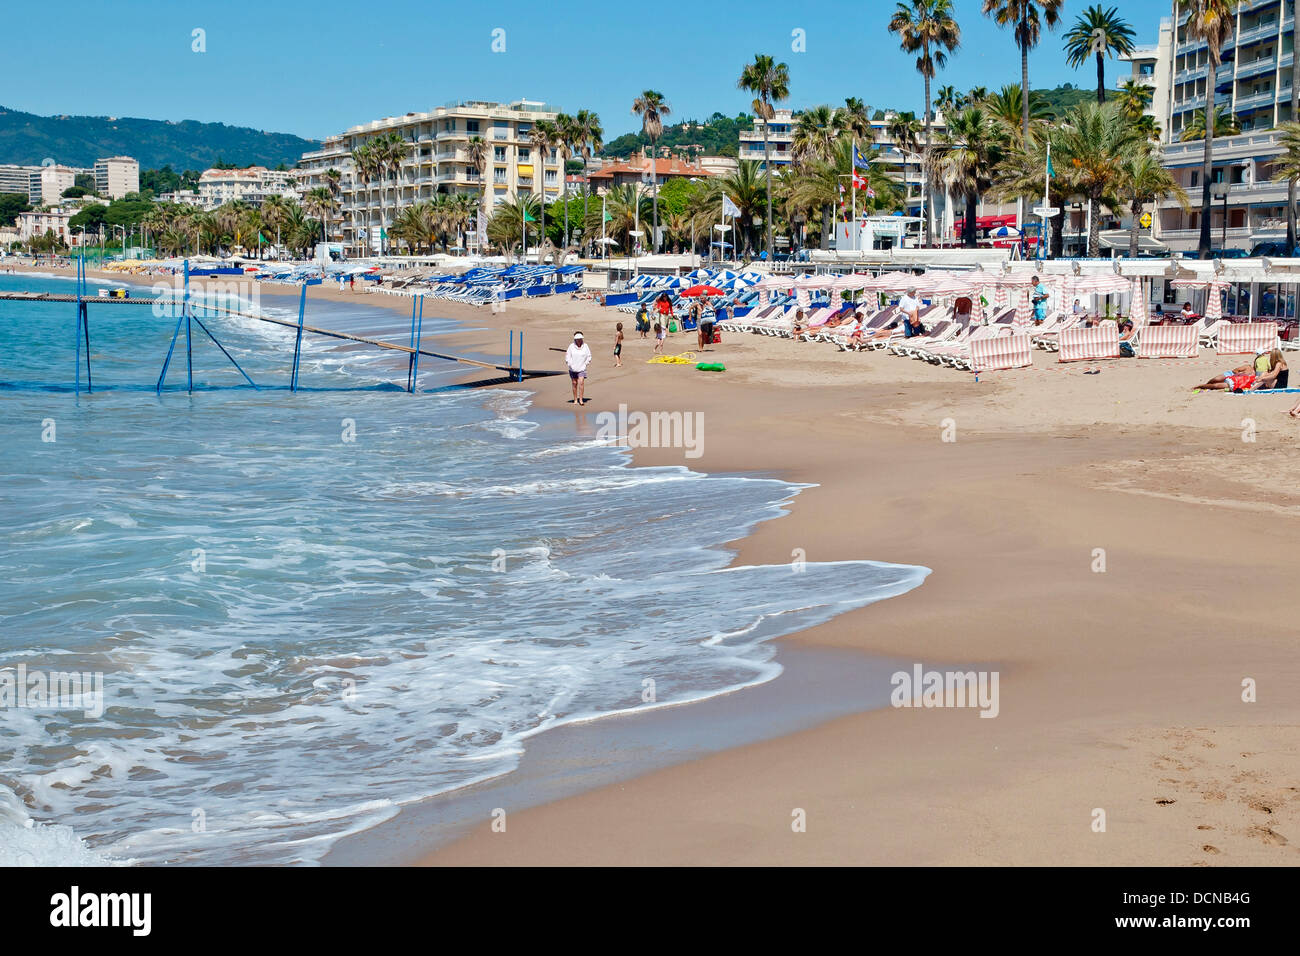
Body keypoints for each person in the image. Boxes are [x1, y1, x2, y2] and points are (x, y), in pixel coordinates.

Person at [1191, 360, 1263, 392]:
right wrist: (1241, 374)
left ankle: (1200, 386)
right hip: (1231, 374)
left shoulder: (1256, 374)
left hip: (1235, 382)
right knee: (1215, 379)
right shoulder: (1248, 367)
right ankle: (1206, 384)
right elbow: (1235, 370)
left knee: (1216, 386)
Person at [565, 331, 592, 405]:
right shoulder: (571, 346)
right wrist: (570, 364)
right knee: (574, 383)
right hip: (573, 368)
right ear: (575, 339)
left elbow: (589, 356)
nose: (579, 340)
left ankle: (581, 400)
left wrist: (586, 363)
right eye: (578, 339)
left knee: (581, 383)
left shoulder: (585, 346)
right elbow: (567, 357)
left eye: (580, 338)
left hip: (582, 369)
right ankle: (575, 399)